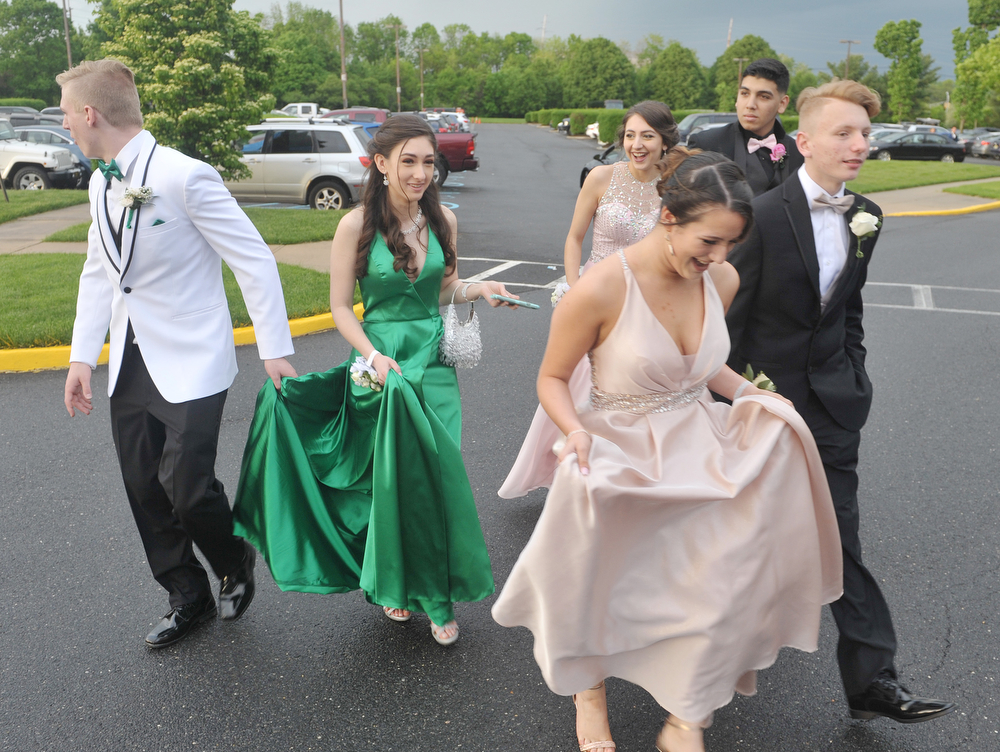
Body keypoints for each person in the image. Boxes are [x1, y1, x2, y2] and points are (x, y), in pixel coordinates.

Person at [493, 148, 843, 752]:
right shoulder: (602, 287)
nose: (718, 257)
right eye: (708, 240)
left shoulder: (722, 281)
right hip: (613, 456)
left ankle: (686, 728)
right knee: (601, 587)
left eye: (731, 244)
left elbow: (706, 369)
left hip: (696, 451)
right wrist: (573, 430)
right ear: (667, 216)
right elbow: (549, 378)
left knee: (721, 589)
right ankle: (588, 687)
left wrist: (756, 398)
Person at [233, 115, 519, 646]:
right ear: (381, 163)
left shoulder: (444, 221)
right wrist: (371, 356)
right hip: (381, 366)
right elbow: (341, 308)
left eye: (428, 162)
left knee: (436, 476)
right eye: (408, 161)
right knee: (390, 483)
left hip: (433, 365)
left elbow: (442, 290)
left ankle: (428, 589)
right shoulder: (355, 224)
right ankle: (406, 585)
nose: (419, 173)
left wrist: (479, 291)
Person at [727, 80, 955, 724]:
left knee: (840, 539)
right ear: (804, 143)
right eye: (845, 133)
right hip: (763, 408)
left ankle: (872, 679)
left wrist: (854, 371)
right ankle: (694, 663)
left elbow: (847, 306)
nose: (861, 145)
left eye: (865, 134)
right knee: (739, 540)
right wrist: (739, 399)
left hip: (833, 405)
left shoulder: (868, 217)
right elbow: (730, 322)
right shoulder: (760, 217)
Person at [58, 59, 297, 648]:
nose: (65, 127)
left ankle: (233, 558)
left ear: (91, 114)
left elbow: (254, 258)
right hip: (131, 358)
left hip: (193, 355)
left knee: (187, 488)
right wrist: (82, 357)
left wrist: (275, 349)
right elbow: (99, 273)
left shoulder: (185, 176)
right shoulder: (99, 181)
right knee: (144, 486)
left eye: (66, 116)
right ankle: (185, 593)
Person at [499, 101, 678, 497]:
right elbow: (574, 238)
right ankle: (573, 468)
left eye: (647, 135)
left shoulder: (675, 187)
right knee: (580, 389)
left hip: (643, 308)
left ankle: (621, 475)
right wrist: (574, 285)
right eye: (630, 135)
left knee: (629, 396)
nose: (637, 144)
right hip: (594, 300)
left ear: (665, 141)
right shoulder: (600, 178)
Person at [688, 58, 803, 196]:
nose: (750, 104)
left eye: (764, 97)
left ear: (782, 104)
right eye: (745, 93)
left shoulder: (800, 155)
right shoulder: (706, 144)